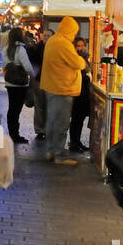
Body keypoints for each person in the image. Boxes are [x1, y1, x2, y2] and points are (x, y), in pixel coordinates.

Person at [39, 19, 87, 164]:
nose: (74, 35)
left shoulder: (53, 40)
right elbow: (78, 63)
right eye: (73, 32)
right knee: (61, 123)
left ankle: (50, 150)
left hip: (53, 86)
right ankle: (59, 155)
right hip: (62, 88)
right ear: (68, 30)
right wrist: (83, 61)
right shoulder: (63, 43)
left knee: (52, 121)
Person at [2, 26, 35, 144]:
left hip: (10, 82)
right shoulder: (20, 49)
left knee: (12, 109)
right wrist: (33, 75)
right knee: (16, 110)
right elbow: (27, 67)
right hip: (20, 84)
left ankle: (12, 133)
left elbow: (5, 65)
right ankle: (15, 135)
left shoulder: (6, 49)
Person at [69, 34, 92, 153]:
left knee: (80, 119)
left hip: (84, 93)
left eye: (83, 45)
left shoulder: (85, 58)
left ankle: (77, 142)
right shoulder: (74, 59)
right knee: (76, 119)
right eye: (78, 46)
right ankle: (73, 143)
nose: (81, 48)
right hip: (77, 92)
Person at [26, 29, 47, 141]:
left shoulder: (54, 48)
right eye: (45, 35)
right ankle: (40, 130)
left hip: (50, 81)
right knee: (39, 105)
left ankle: (47, 128)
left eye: (49, 35)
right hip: (38, 79)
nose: (46, 37)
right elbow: (31, 59)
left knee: (48, 106)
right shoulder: (38, 47)